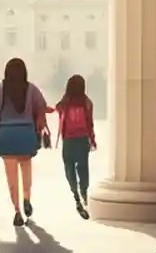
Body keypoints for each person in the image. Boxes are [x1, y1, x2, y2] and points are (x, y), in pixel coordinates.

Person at [0, 57, 49, 227]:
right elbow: (42, 107)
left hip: (6, 135)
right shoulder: (31, 89)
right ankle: (27, 198)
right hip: (26, 134)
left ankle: (17, 210)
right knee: (26, 170)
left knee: (11, 177)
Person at [53, 74, 97, 219]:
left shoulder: (66, 102)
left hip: (69, 141)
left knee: (69, 168)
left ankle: (76, 194)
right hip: (83, 139)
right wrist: (92, 139)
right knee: (83, 167)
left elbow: (57, 109)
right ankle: (83, 191)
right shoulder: (87, 102)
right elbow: (90, 122)